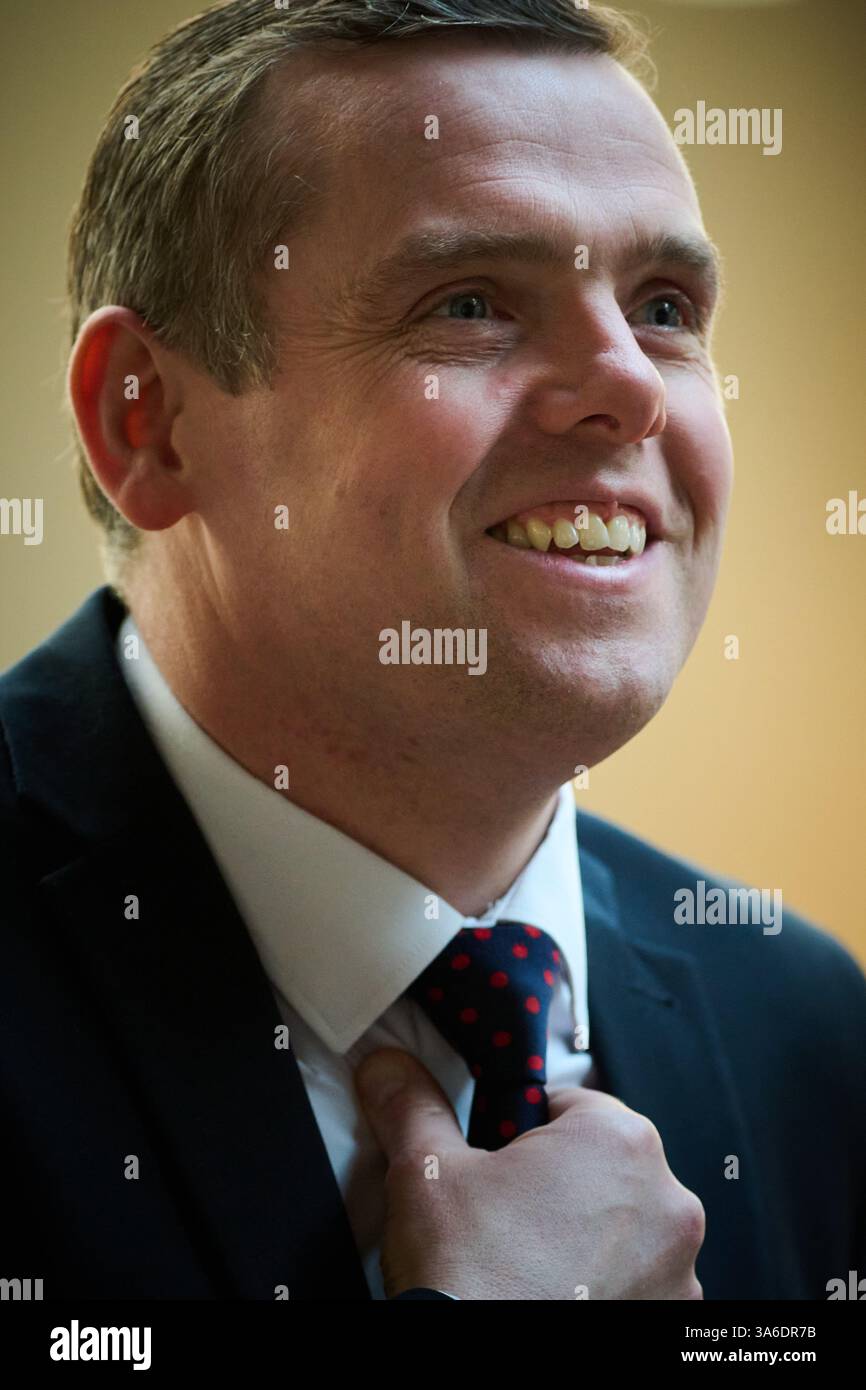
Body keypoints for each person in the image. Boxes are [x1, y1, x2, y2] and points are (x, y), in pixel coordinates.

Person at [2, 0, 863, 1302]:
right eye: (469, 301)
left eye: (666, 305)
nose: (629, 381)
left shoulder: (808, 1024)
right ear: (151, 423)